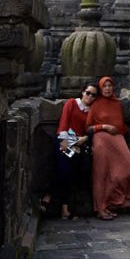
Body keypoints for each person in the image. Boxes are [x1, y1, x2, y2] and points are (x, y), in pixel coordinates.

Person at [86, 76, 130, 220]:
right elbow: (88, 127)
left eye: (109, 85)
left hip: (117, 139)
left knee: (127, 170)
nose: (107, 88)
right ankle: (101, 208)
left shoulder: (116, 104)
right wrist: (104, 126)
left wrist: (115, 130)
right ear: (101, 89)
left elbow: (120, 124)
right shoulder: (96, 104)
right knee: (101, 175)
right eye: (104, 86)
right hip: (101, 140)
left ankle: (111, 203)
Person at [41, 81, 98, 220]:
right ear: (83, 92)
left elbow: (90, 130)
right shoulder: (72, 103)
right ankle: (51, 197)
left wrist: (84, 138)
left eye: (94, 95)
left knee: (72, 175)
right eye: (88, 93)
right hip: (65, 140)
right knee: (64, 171)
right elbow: (64, 122)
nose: (90, 97)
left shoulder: (91, 112)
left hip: (78, 144)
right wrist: (64, 141)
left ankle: (62, 206)